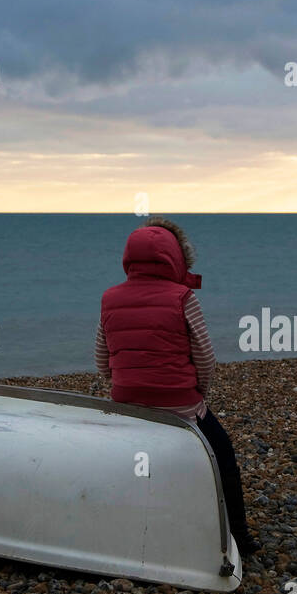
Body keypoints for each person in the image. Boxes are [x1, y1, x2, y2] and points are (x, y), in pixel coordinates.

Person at [95, 217, 261, 558]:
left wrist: (121, 383)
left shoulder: (109, 298)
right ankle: (238, 537)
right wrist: (199, 392)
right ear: (177, 258)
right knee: (223, 454)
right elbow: (205, 356)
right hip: (180, 404)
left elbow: (102, 357)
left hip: (127, 403)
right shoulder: (182, 297)